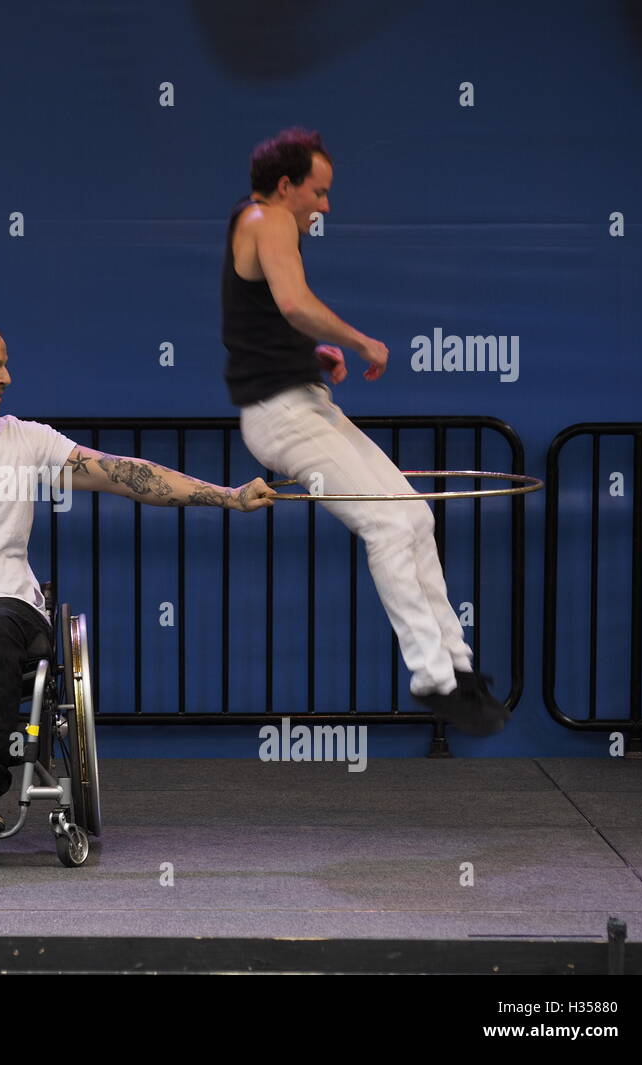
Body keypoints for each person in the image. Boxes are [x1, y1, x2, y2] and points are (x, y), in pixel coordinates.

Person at [0, 315, 275, 834]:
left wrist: (227, 496)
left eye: (6, 366)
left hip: (10, 607)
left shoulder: (25, 442)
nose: (7, 377)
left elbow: (126, 475)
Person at [221, 127, 509, 736]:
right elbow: (294, 302)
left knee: (414, 516)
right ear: (285, 186)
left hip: (300, 400)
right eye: (319, 193)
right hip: (282, 416)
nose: (325, 207)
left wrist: (311, 353)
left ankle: (458, 667)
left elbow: (271, 315)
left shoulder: (260, 224)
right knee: (384, 522)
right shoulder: (266, 218)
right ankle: (432, 676)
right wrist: (360, 341)